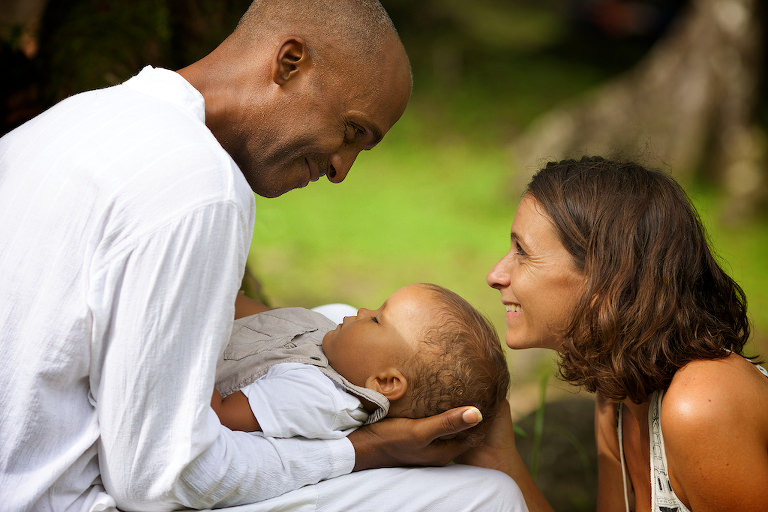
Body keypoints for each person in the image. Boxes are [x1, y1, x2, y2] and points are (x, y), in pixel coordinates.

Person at [0, 1, 527, 511]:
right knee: (487, 497)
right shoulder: (200, 186)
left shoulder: (80, 117)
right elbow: (160, 478)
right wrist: (368, 449)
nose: (342, 169)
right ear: (289, 62)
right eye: (351, 131)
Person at [463, 157, 768, 511]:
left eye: (523, 252)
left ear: (604, 278)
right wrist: (498, 456)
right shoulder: (617, 399)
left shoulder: (700, 406)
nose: (496, 275)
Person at [211, 283, 510, 451]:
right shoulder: (327, 337)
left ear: (385, 383)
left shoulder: (316, 395)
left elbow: (219, 415)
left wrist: (185, 333)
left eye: (377, 319)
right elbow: (252, 317)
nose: (363, 311)